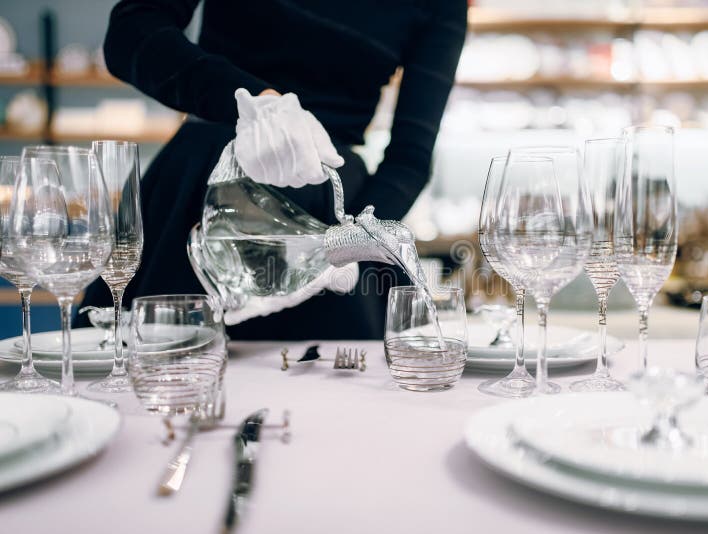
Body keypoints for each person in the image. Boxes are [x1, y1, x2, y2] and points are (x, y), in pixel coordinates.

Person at [76, 0, 467, 340]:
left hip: (327, 203)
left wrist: (353, 242)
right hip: (206, 183)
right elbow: (130, 31)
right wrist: (251, 102)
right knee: (161, 377)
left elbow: (410, 158)